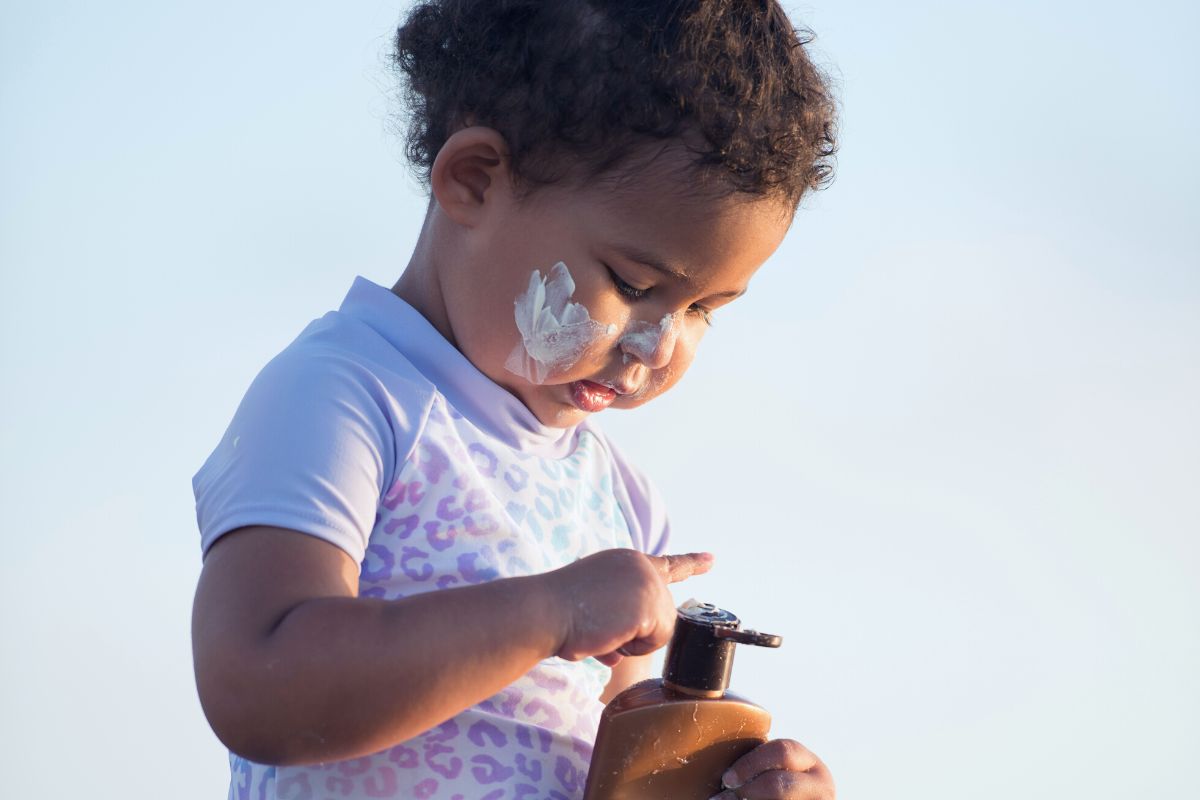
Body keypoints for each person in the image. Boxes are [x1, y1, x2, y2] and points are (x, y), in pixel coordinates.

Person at [191, 1, 839, 798]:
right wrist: (555, 609)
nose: (659, 347)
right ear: (473, 181)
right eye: (634, 285)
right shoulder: (344, 395)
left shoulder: (622, 508)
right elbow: (259, 684)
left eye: (704, 309)